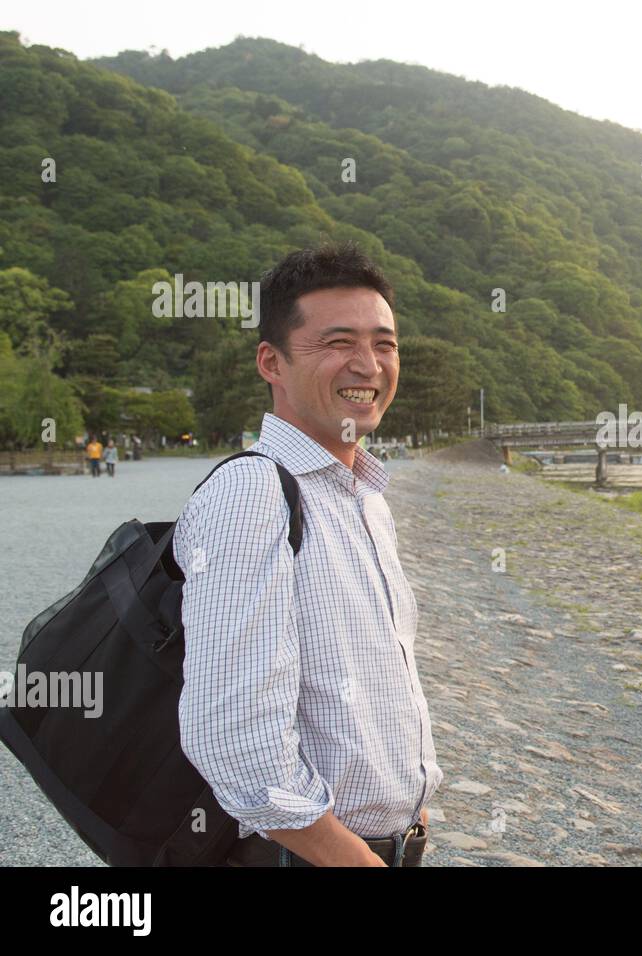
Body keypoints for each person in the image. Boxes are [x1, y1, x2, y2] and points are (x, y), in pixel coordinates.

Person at [171, 242, 443, 867]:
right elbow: (232, 736)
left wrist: (412, 812)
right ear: (272, 361)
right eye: (337, 342)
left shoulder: (364, 496)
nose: (367, 364)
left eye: (385, 343)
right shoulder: (253, 493)